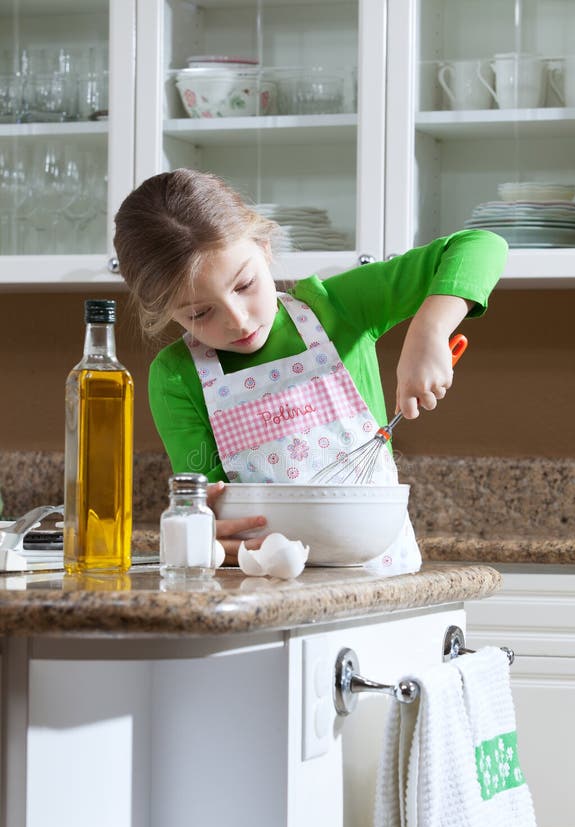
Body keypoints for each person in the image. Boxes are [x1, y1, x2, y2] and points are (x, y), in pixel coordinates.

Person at [114, 169, 507, 566]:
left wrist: (430, 329)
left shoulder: (337, 309)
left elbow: (481, 244)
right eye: (200, 312)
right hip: (270, 590)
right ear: (165, 312)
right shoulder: (178, 376)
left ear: (264, 247)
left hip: (387, 583)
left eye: (245, 284)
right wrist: (203, 530)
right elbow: (207, 509)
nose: (238, 320)